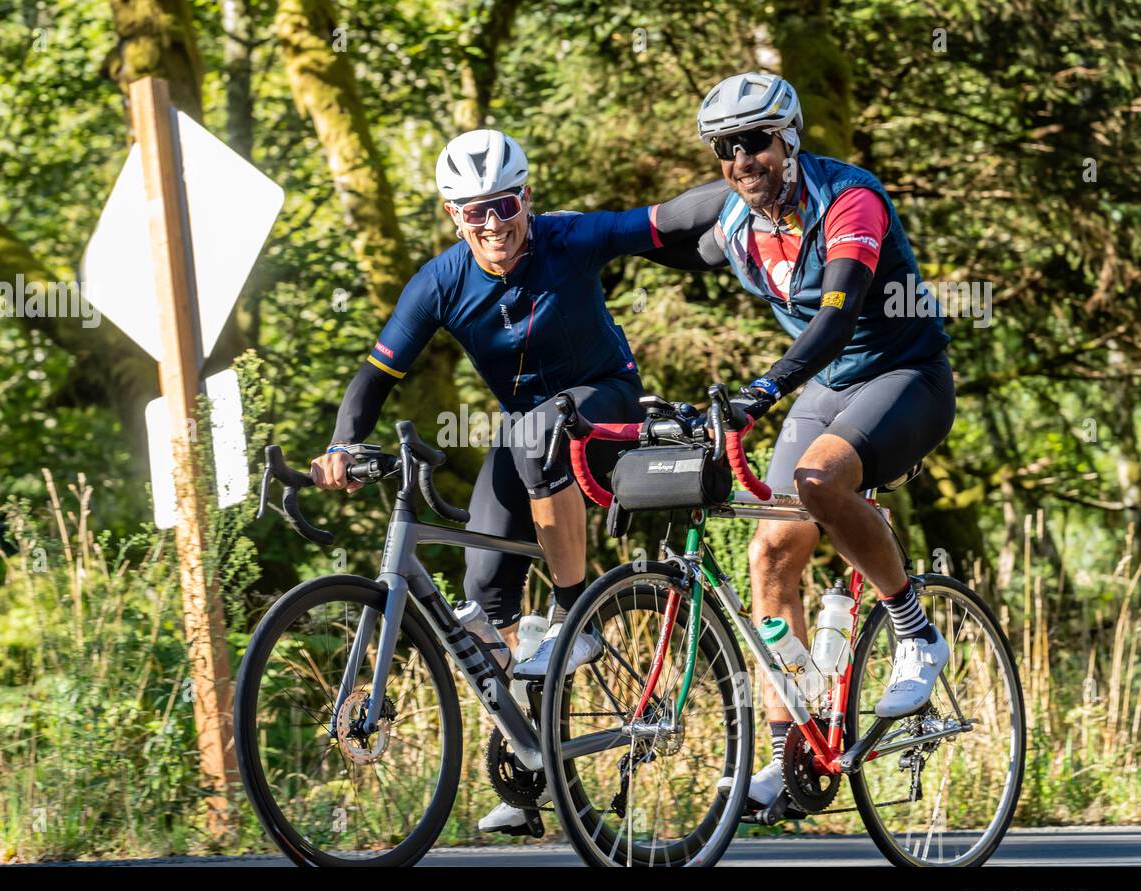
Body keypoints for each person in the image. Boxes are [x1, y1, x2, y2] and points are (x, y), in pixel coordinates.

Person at [310, 129, 717, 834]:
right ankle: (530, 770)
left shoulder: (570, 239)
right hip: (529, 430)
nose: (493, 224)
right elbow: (376, 377)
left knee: (535, 438)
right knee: (484, 595)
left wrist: (756, 186)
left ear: (526, 198)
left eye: (504, 205)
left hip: (605, 402)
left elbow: (669, 219)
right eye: (475, 212)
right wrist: (344, 443)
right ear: (454, 217)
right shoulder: (439, 283)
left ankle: (573, 617)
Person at [649, 72, 955, 812]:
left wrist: (761, 391)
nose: (742, 159)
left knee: (818, 486)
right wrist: (523, 229)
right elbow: (617, 230)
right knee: (771, 553)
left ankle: (915, 632)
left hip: (903, 375)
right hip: (825, 391)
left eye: (756, 141)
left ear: (789, 137)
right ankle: (788, 755)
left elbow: (839, 316)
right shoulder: (729, 218)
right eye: (726, 148)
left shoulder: (850, 198)